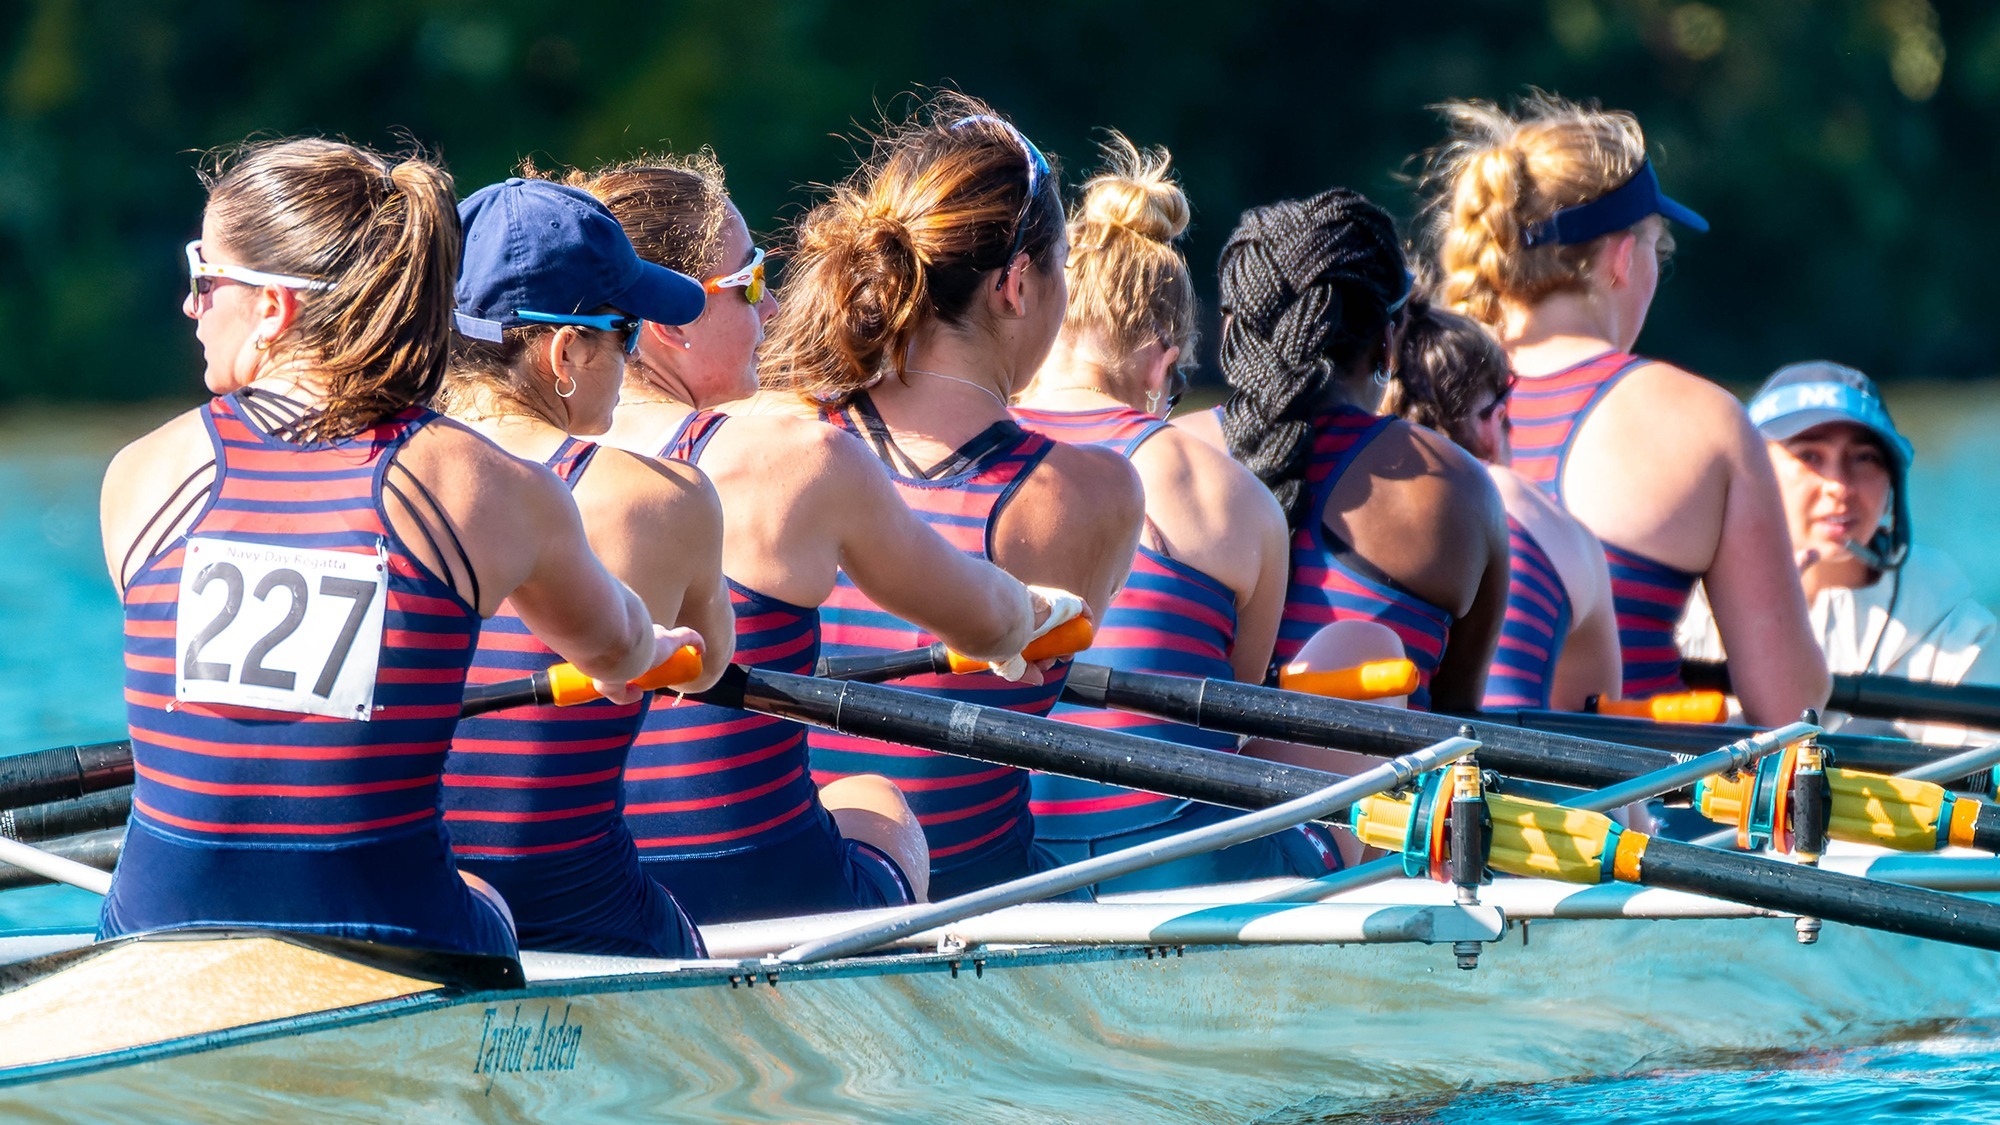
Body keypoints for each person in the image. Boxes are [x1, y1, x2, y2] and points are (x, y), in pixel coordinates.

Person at [98, 139, 670, 959]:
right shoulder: (487, 486)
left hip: (152, 928)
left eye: (205, 276)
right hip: (399, 935)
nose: (192, 306)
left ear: (273, 307)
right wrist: (653, 649)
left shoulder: (141, 476)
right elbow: (617, 650)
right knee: (487, 898)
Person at [577, 153, 1069, 921]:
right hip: (763, 892)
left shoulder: (510, 467)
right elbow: (985, 619)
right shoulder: (796, 453)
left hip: (581, 885)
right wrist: (1031, 616)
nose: (773, 309)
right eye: (750, 283)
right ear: (669, 321)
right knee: (875, 799)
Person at [759, 94, 1146, 899]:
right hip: (980, 903)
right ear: (1016, 284)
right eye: (1064, 269)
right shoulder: (1093, 492)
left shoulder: (772, 441)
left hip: (790, 896)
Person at [1422, 92, 1828, 725]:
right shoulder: (1705, 421)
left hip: (1422, 780)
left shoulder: (1410, 387)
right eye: (1656, 250)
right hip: (1626, 783)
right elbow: (1789, 707)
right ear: (1620, 258)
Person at [1011, 136, 1338, 889]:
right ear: (1162, 363)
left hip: (1005, 860)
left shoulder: (969, 457)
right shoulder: (1233, 494)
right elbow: (1235, 714)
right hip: (1182, 871)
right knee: (1356, 656)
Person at [434, 177, 734, 958]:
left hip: (410, 900)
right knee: (880, 811)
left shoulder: (371, 476)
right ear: (565, 353)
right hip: (584, 919)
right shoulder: (663, 497)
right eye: (626, 334)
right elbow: (706, 669)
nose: (632, 360)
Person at [1218, 188, 1510, 715]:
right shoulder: (1462, 492)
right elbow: (1455, 725)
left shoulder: (1164, 459)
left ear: (1237, 331)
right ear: (1387, 342)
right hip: (1364, 771)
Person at [1679, 362, 2000, 738]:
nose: (1839, 486)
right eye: (1809, 456)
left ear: (1891, 485)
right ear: (1748, 471)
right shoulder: (1675, 603)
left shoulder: (1956, 632)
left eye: (1864, 457)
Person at [1384, 301, 1621, 712]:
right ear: (1493, 422)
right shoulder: (1557, 528)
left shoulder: (1347, 489)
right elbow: (1595, 717)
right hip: (1495, 751)